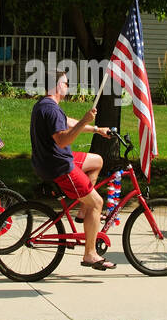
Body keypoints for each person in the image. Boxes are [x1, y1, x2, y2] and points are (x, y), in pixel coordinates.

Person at [30, 69, 117, 270]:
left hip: (54, 160)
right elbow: (62, 140)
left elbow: (67, 122)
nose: (67, 87)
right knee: (97, 202)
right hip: (59, 166)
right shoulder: (51, 109)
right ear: (56, 85)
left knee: (97, 161)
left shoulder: (47, 105)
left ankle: (82, 212)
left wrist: (96, 129)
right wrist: (86, 121)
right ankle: (90, 254)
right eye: (66, 83)